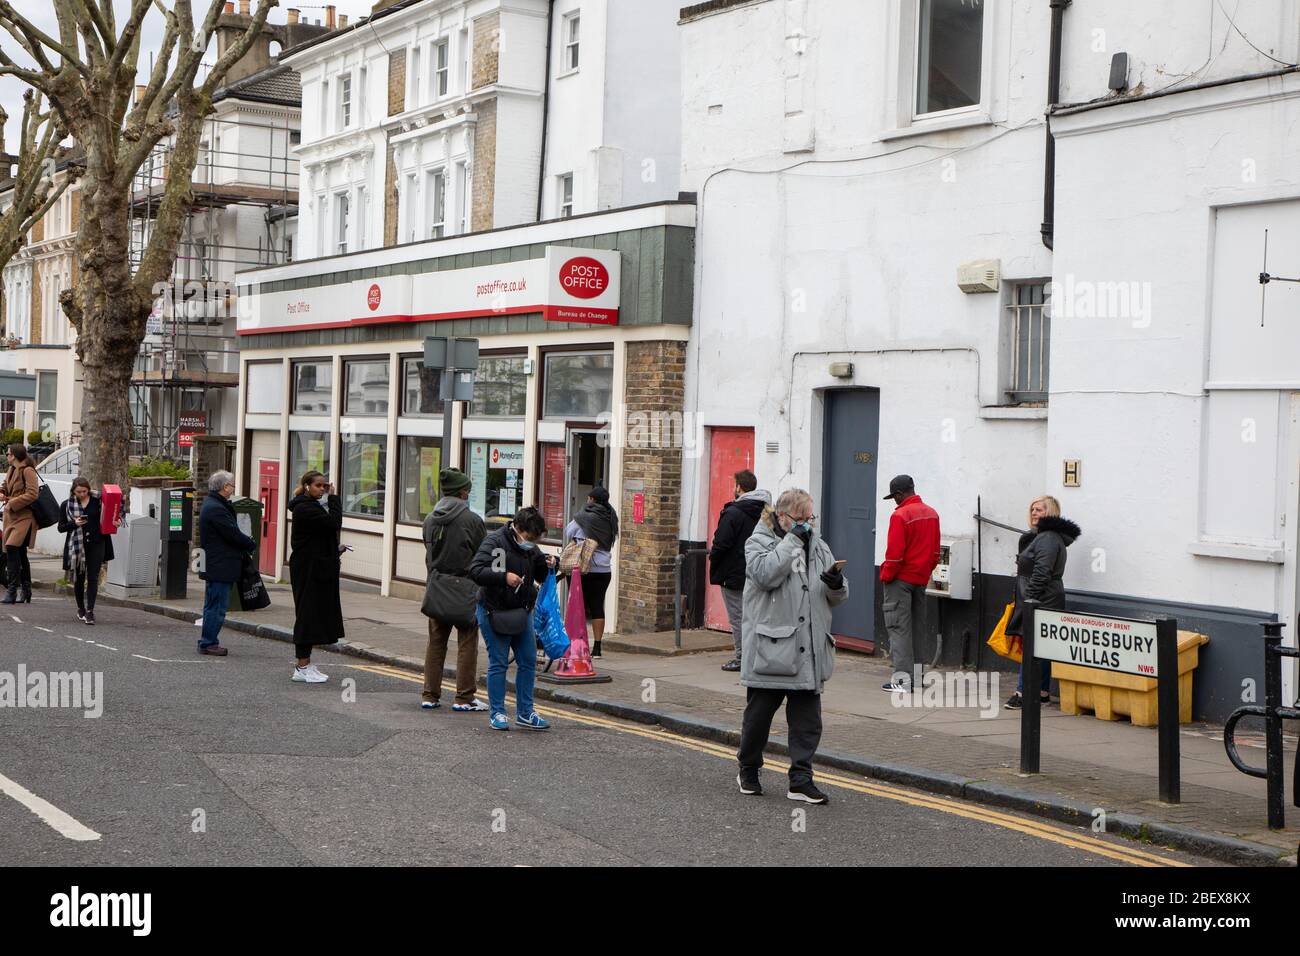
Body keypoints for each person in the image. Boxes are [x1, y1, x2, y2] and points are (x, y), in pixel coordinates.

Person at [736, 488, 847, 805]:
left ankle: (800, 779)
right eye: (800, 519)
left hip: (809, 649)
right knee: (758, 720)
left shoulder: (819, 546)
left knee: (807, 725)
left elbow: (835, 597)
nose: (807, 525)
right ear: (782, 517)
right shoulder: (758, 542)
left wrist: (837, 585)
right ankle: (749, 767)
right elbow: (765, 575)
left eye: (810, 518)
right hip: (772, 650)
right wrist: (793, 541)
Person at [469, 506, 555, 731]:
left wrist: (548, 564)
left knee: (527, 662)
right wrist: (503, 577)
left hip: (521, 611)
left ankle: (526, 713)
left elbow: (539, 573)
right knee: (498, 662)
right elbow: (475, 570)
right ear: (518, 529)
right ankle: (497, 713)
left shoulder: (530, 548)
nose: (532, 542)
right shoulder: (495, 542)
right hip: (494, 610)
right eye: (530, 538)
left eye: (536, 539)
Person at [421, 467, 488, 711]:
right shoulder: (472, 520)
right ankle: (464, 697)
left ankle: (429, 695)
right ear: (461, 492)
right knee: (467, 642)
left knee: (436, 643)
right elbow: (483, 556)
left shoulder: (429, 519)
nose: (469, 495)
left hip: (437, 586)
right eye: (467, 491)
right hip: (465, 588)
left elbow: (429, 554)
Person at [1004, 496, 1080, 710]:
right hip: (1044, 597)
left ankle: (1023, 692)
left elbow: (1042, 572)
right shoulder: (1043, 536)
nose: (1034, 513)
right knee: (1042, 647)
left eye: (1040, 509)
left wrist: (1029, 599)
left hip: (1041, 599)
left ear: (1051, 513)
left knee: (1031, 646)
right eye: (1032, 509)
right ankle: (1041, 693)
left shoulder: (1047, 538)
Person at [879, 474, 941, 693]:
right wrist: (924, 572)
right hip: (920, 579)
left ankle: (902, 681)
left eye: (894, 497)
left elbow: (894, 555)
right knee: (917, 628)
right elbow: (935, 553)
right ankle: (915, 677)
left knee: (898, 628)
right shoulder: (932, 514)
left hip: (900, 580)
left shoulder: (900, 516)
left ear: (899, 494)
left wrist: (886, 576)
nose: (894, 502)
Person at [286, 470, 345, 684]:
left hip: (316, 566)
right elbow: (334, 523)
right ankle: (301, 667)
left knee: (314, 615)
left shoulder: (311, 506)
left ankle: (306, 664)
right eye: (318, 486)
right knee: (306, 615)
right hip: (307, 569)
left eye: (324, 486)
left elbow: (321, 535)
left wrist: (333, 549)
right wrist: (334, 497)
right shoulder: (304, 508)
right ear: (307, 486)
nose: (322, 489)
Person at [708, 470, 770, 672]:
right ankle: (759, 655)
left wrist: (714, 560)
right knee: (756, 616)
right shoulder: (766, 513)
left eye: (734, 485)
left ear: (739, 487)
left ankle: (743, 657)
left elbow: (722, 543)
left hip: (733, 574)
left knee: (738, 617)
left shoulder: (733, 512)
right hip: (758, 571)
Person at [196, 470, 255, 657]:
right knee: (217, 606)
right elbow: (232, 533)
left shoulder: (213, 504)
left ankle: (208, 641)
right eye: (232, 485)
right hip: (219, 564)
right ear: (225, 487)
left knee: (212, 604)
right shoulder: (216, 508)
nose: (233, 488)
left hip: (216, 563)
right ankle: (208, 643)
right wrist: (250, 543)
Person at [563, 483, 618, 657]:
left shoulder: (585, 515)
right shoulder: (611, 517)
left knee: (578, 606)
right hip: (603, 570)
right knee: (597, 606)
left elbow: (568, 531)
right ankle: (597, 648)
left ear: (592, 499)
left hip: (583, 568)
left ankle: (578, 644)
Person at [57, 477, 117, 624]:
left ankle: (90, 611)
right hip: (78, 547)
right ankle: (81, 609)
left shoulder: (98, 501)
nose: (82, 494)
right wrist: (74, 523)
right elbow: (60, 527)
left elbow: (111, 515)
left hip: (97, 543)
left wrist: (117, 520)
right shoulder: (67, 505)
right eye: (79, 492)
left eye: (84, 491)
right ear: (73, 491)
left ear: (88, 490)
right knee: (79, 578)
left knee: (93, 578)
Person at [0, 443, 39, 605]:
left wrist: (12, 502)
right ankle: (26, 589)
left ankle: (12, 590)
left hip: (25, 516)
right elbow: (6, 486)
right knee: (20, 553)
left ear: (14, 455)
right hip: (11, 517)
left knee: (12, 547)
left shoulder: (28, 471)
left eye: (8, 454)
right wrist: (2, 492)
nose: (7, 456)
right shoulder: (12, 469)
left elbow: (33, 494)